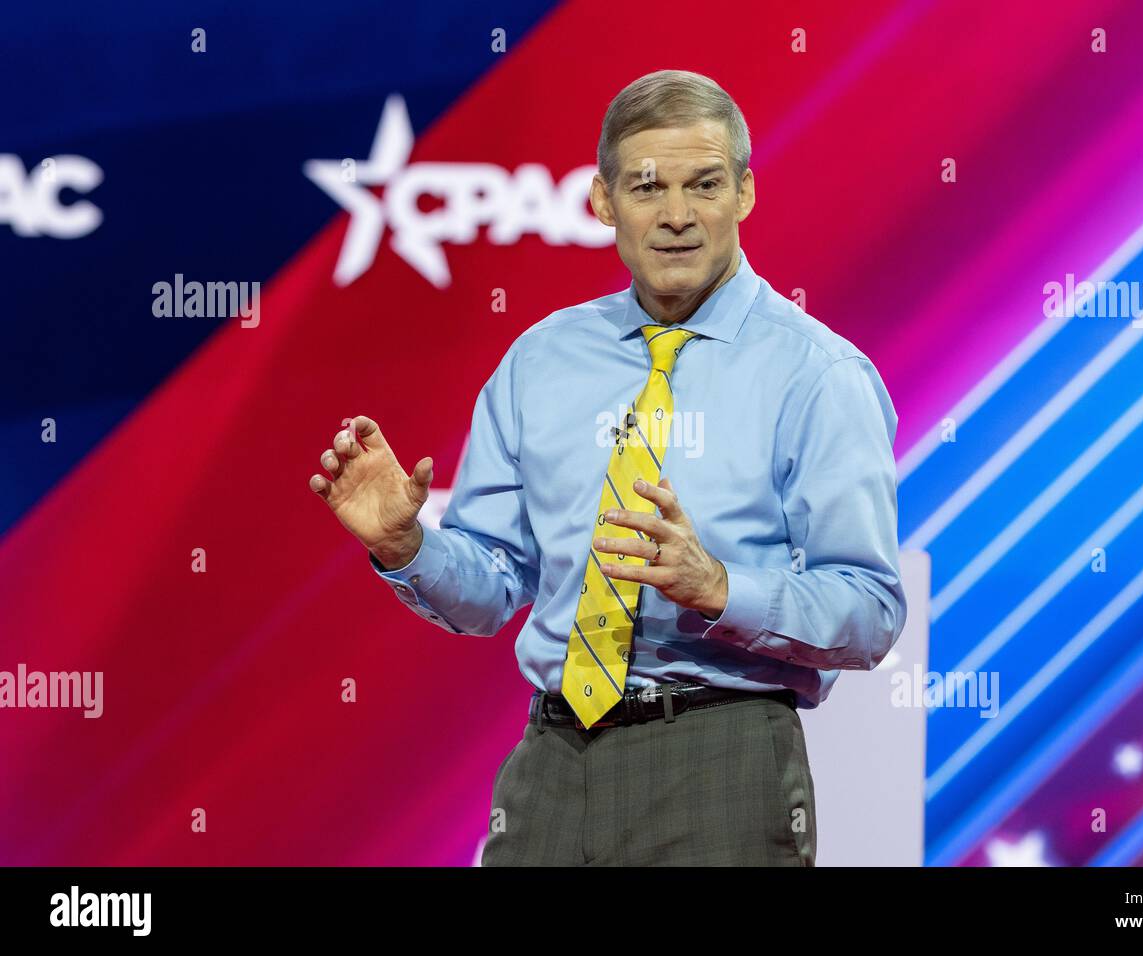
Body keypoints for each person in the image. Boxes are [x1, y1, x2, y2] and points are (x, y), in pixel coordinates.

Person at [308, 69, 906, 866]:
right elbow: (490, 591)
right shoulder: (540, 362)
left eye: (705, 185)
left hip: (721, 756)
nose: (677, 216)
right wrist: (405, 547)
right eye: (647, 186)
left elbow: (869, 611)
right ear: (600, 201)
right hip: (552, 762)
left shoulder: (818, 375)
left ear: (746, 194)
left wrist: (722, 587)